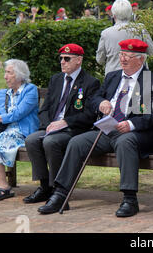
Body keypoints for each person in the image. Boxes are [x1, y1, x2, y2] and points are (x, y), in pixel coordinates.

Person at [38, 39, 153, 217]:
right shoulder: (113, 76)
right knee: (76, 142)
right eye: (121, 55)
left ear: (141, 59)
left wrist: (130, 124)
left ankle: (130, 199)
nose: (122, 59)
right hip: (107, 130)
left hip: (136, 134)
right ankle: (60, 194)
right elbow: (94, 98)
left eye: (127, 56)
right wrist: (102, 103)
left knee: (125, 141)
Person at [23, 44, 101, 204]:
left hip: (74, 129)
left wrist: (64, 122)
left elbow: (89, 115)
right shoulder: (56, 79)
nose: (62, 62)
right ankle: (45, 187)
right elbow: (44, 109)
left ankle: (57, 189)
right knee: (31, 140)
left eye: (67, 58)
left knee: (50, 142)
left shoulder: (90, 83)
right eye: (61, 59)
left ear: (79, 60)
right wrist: (48, 125)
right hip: (52, 127)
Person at [0, 59, 39, 201]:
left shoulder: (30, 90)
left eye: (9, 73)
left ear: (19, 75)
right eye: (5, 72)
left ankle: (3, 187)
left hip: (23, 132)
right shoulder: (3, 93)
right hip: (3, 131)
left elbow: (18, 114)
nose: (5, 76)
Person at [96, 0, 153, 75]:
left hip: (113, 76)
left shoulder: (106, 33)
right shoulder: (141, 29)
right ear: (130, 13)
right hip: (139, 76)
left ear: (113, 15)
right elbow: (151, 52)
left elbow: (100, 60)